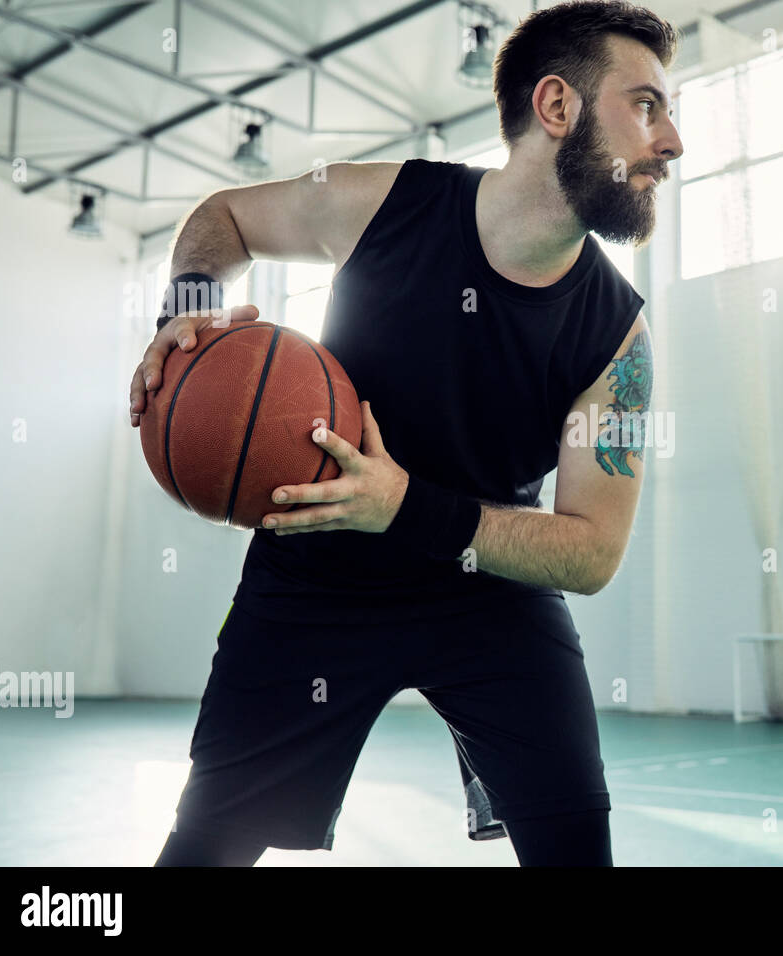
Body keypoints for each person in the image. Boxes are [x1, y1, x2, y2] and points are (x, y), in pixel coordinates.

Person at [128, 0, 682, 867]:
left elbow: (593, 552)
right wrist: (187, 316)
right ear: (557, 107)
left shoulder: (616, 338)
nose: (672, 140)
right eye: (647, 105)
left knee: (576, 848)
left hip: (487, 584)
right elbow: (225, 217)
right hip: (314, 578)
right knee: (207, 847)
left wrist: (403, 507)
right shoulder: (385, 203)